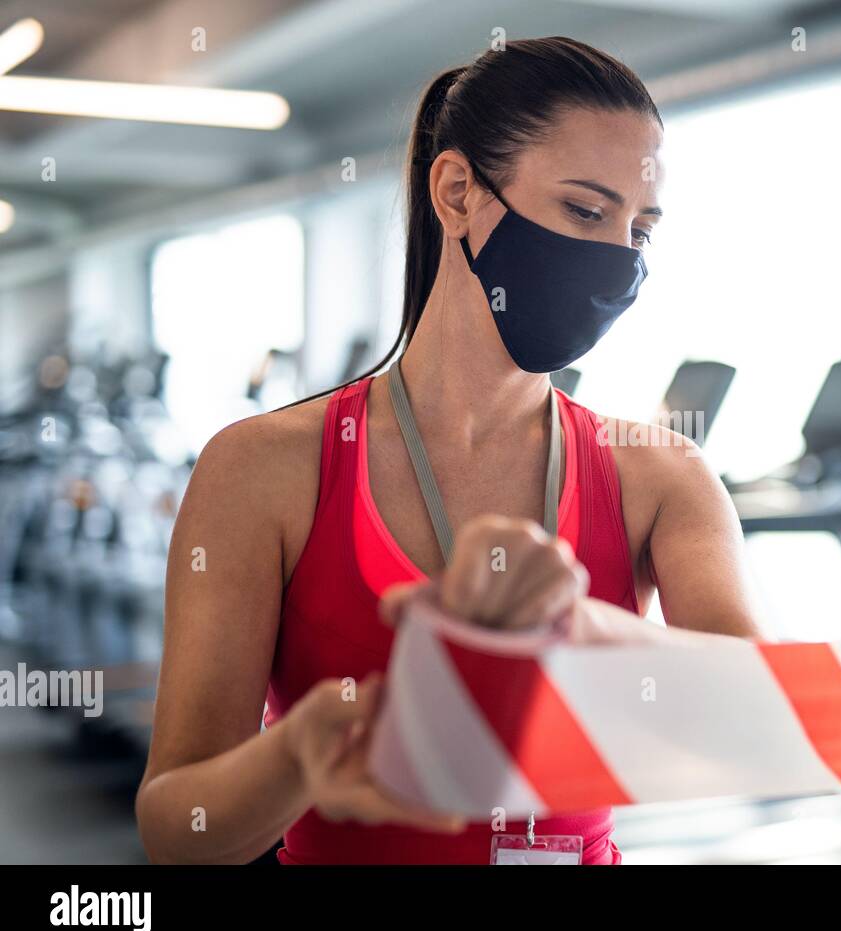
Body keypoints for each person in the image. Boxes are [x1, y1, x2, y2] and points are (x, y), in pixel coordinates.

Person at [135, 37, 765, 865]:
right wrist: (296, 759)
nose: (618, 257)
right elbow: (178, 830)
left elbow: (758, 717)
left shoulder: (662, 477)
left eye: (640, 229)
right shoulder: (264, 468)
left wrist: (582, 633)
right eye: (584, 210)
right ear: (459, 190)